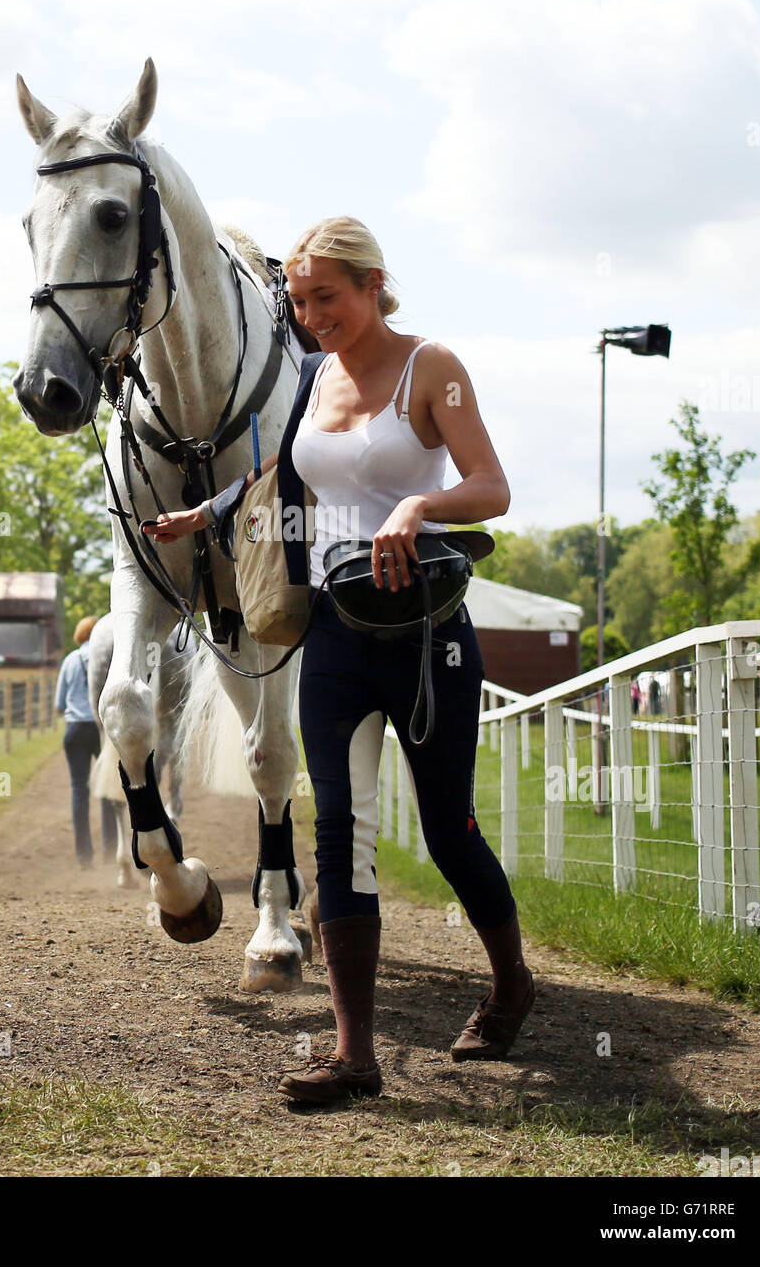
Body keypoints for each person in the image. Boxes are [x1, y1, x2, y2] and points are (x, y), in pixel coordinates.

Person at [142, 216, 534, 1103]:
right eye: (299, 300)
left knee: (447, 832)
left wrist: (418, 508)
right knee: (336, 838)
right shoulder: (315, 378)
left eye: (328, 298)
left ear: (372, 285)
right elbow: (289, 463)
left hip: (428, 634)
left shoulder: (433, 367)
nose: (313, 316)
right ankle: (354, 1055)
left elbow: (494, 488)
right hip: (336, 631)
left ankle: (512, 979)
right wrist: (206, 514)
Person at [55, 615, 115, 870]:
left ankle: (84, 856)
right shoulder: (110, 658)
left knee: (80, 790)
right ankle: (111, 851)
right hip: (102, 729)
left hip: (75, 730)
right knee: (108, 790)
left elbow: (59, 705)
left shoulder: (70, 660)